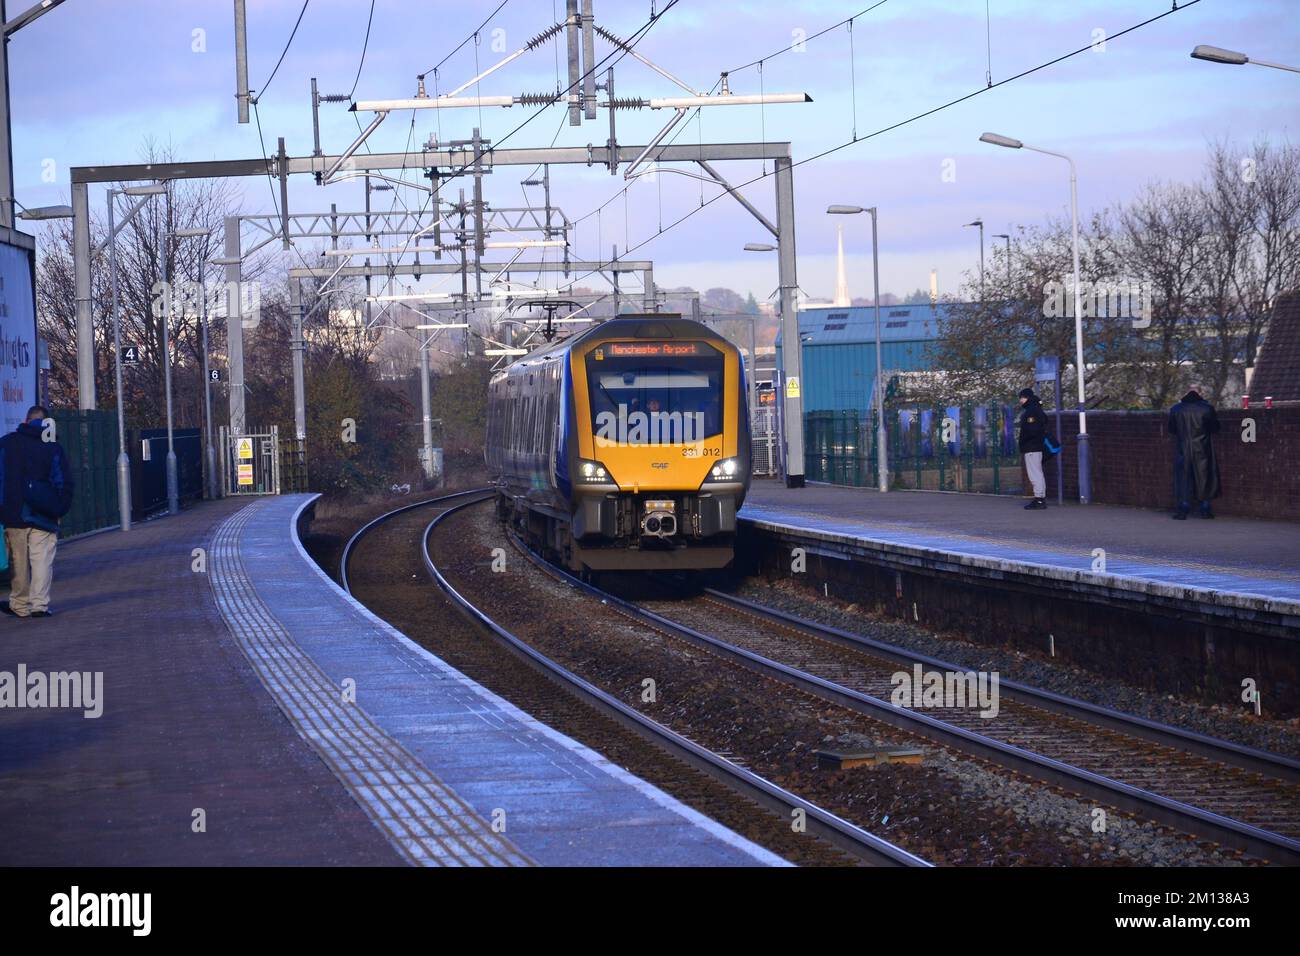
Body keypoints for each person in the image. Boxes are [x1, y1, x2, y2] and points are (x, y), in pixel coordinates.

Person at [0, 405, 74, 618]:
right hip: (44, 512)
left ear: (25, 420)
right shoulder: (53, 447)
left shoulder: (6, 444)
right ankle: (39, 605)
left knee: (18, 561)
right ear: (47, 423)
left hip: (13, 512)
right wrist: (59, 508)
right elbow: (63, 480)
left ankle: (20, 605)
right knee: (42, 559)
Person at [1168, 386, 1221, 520]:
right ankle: (1205, 508)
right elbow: (1215, 428)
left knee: (1183, 479)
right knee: (1204, 478)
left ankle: (1183, 508)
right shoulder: (1207, 408)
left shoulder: (1175, 409)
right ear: (1200, 393)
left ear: (1186, 393)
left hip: (1183, 448)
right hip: (1202, 449)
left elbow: (1172, 429)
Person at [1017, 387, 1048, 510]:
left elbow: (1031, 430)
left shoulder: (1031, 412)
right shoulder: (1037, 409)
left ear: (1027, 398)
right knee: (1037, 472)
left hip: (1032, 447)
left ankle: (1039, 498)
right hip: (1036, 446)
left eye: (1022, 398)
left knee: (1035, 473)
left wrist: (1024, 441)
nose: (1020, 401)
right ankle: (1040, 497)